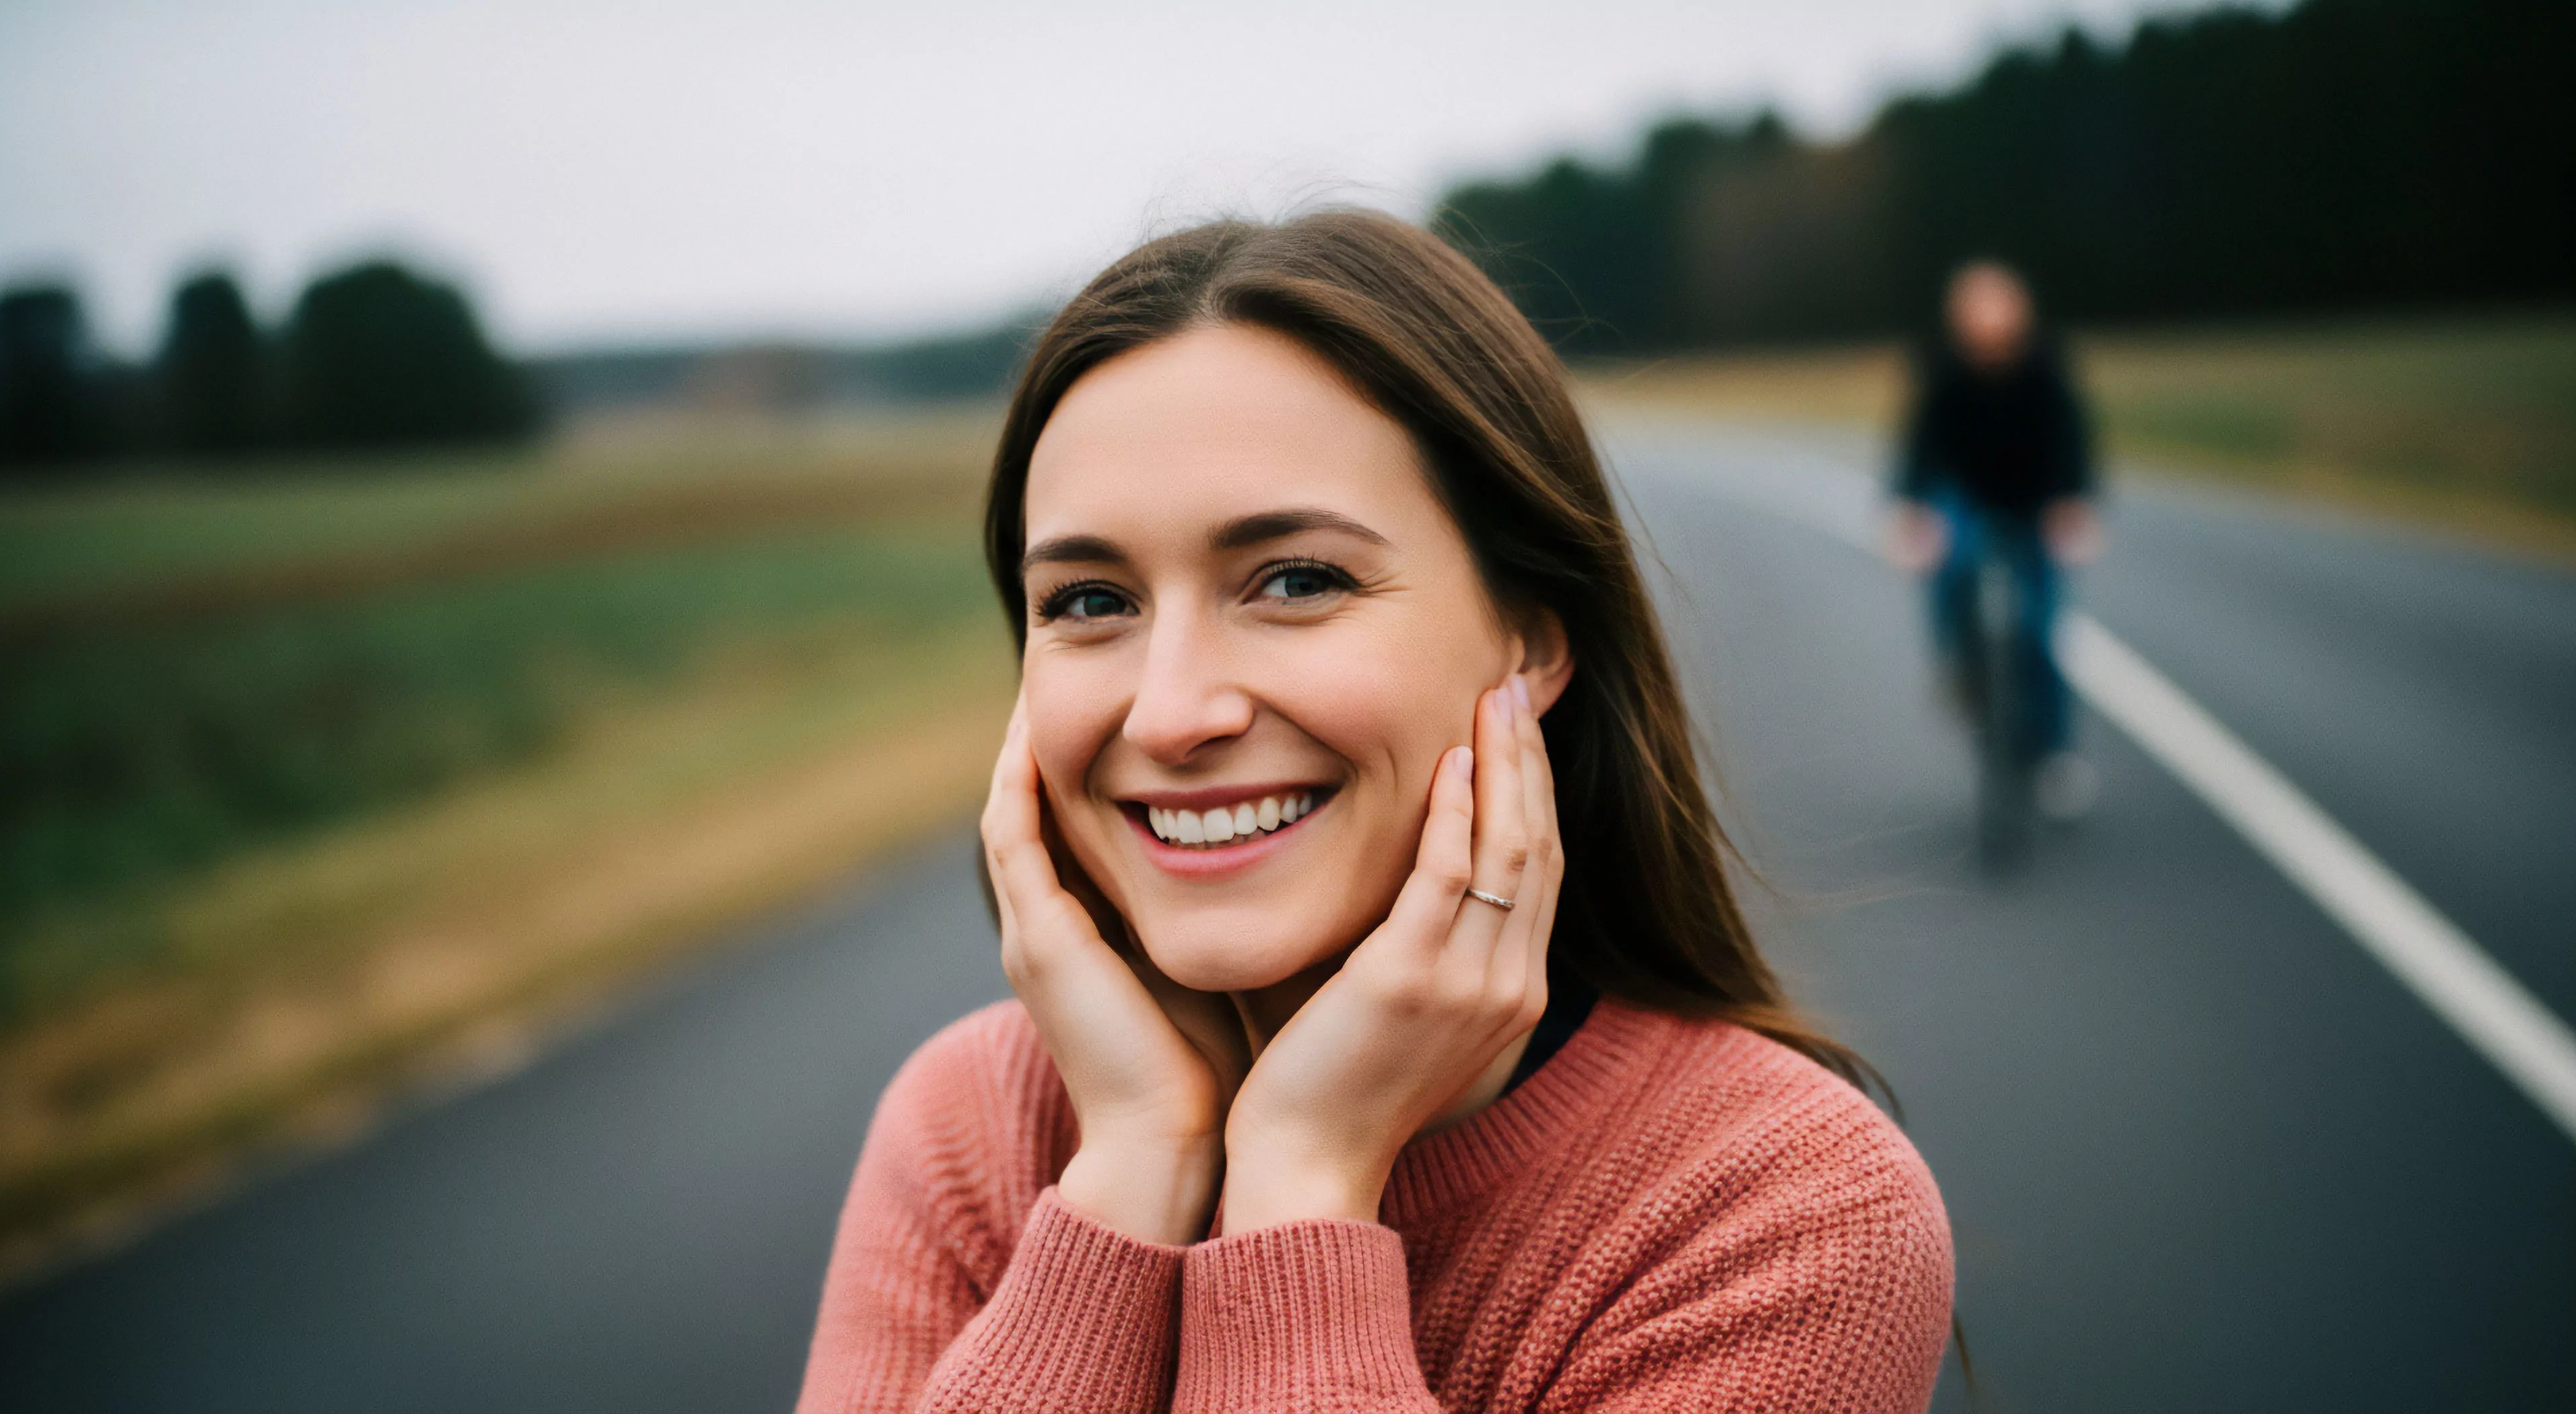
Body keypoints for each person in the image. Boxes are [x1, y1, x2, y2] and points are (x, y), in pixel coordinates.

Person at [795, 211, 1952, 1413]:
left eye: (1296, 580)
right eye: (1090, 599)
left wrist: (1301, 1180)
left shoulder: (1784, 1214)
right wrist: (1133, 1170)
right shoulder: (975, 1132)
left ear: (1534, 637)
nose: (1171, 713)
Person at [1888, 260, 2103, 821]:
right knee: (1948, 565)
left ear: (2018, 317)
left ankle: (2055, 753)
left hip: (2035, 502)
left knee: (2039, 627)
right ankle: (1961, 665)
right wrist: (1913, 512)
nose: (1986, 333)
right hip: (1970, 501)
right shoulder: (1943, 370)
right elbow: (1920, 447)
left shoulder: (2045, 367)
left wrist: (2072, 506)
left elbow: (2070, 442)